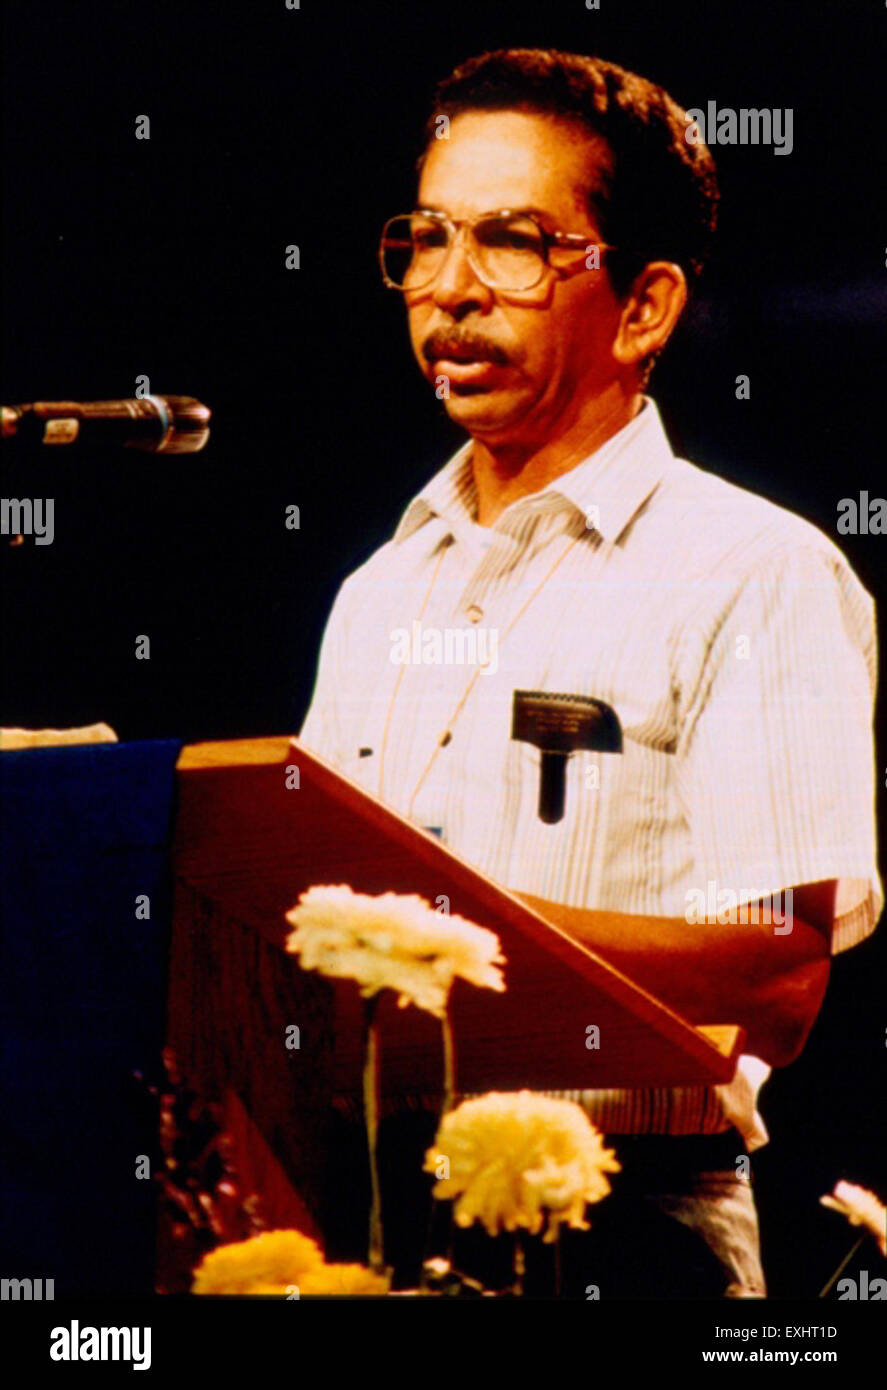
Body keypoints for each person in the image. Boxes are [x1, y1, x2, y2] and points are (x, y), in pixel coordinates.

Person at [299, 48, 881, 1296]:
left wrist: (444, 940)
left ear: (643, 306)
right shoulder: (374, 593)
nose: (448, 291)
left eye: (511, 242)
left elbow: (773, 976)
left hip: (628, 1227)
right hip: (361, 1211)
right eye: (426, 239)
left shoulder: (752, 570)